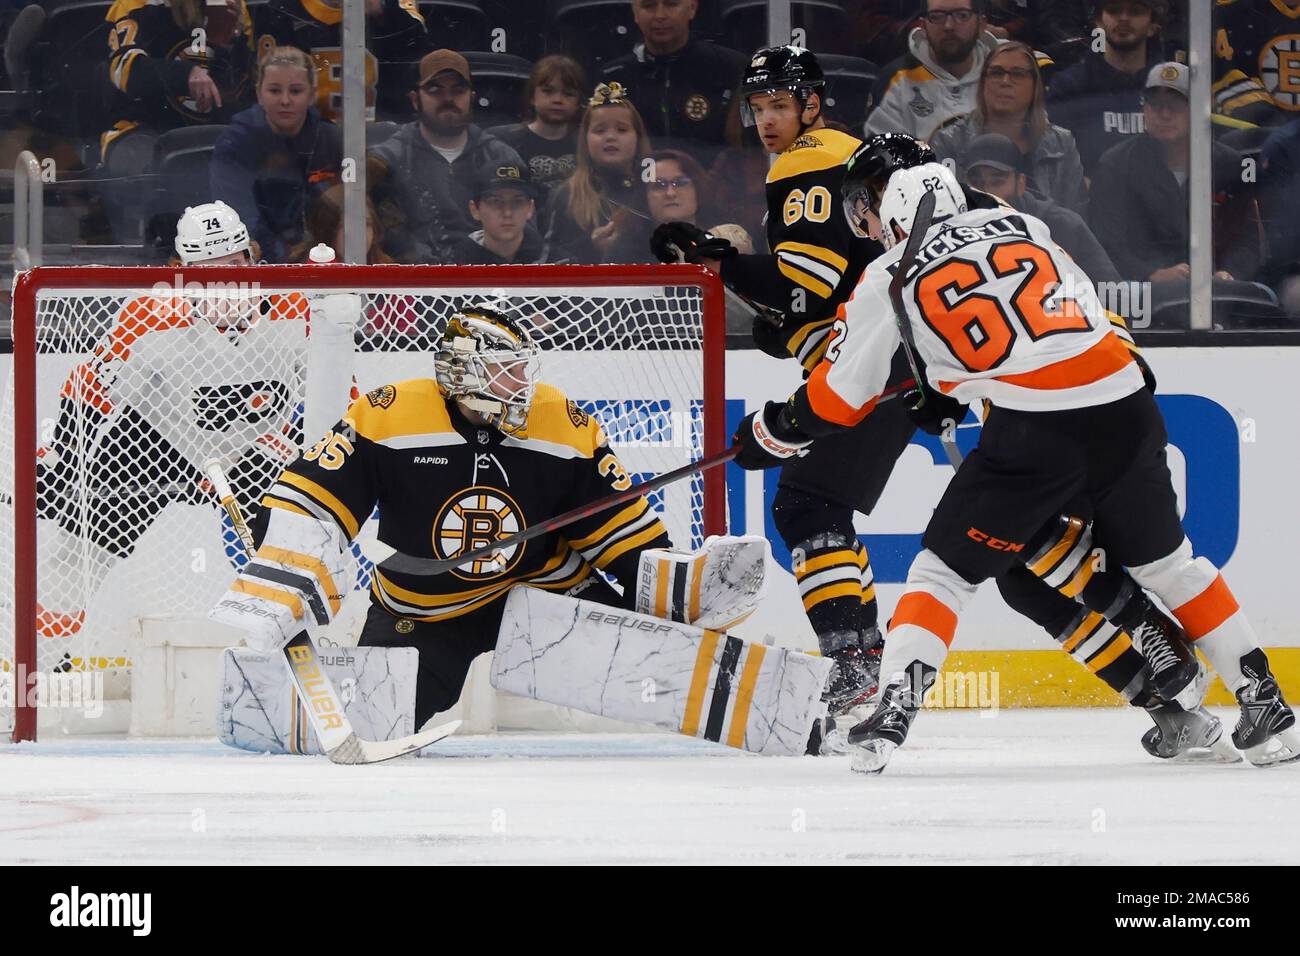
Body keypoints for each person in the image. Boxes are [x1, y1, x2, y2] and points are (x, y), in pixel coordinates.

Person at [733, 161, 1299, 771]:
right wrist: (947, 380)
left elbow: (841, 396)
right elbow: (1065, 316)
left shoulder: (887, 275)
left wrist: (774, 430)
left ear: (892, 219)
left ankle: (895, 704)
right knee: (1168, 563)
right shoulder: (1021, 222)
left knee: (944, 571)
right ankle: (1265, 702)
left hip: (1037, 427)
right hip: (1125, 398)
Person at [208, 305, 681, 729]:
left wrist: (672, 586)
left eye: (520, 369)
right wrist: (283, 566)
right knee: (370, 723)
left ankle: (693, 674)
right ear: (461, 375)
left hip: (542, 590)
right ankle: (280, 711)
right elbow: (314, 495)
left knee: (645, 662)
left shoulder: (560, 419)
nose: (521, 384)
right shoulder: (390, 413)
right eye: (503, 372)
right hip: (422, 611)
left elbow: (617, 525)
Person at [653, 46, 895, 728]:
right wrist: (769, 306)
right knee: (822, 506)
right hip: (900, 357)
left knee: (807, 505)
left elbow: (805, 283)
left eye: (779, 106)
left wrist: (720, 263)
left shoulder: (808, 158)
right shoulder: (842, 154)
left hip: (870, 363)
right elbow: (824, 290)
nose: (765, 121)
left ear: (811, 106)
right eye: (757, 108)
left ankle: (854, 668)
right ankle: (863, 662)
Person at [35, 201, 306, 640]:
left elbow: (337, 402)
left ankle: (304, 638)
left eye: (234, 264)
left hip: (257, 449)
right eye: (208, 269)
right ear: (181, 270)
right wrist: (65, 458)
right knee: (76, 554)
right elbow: (92, 387)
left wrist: (283, 444)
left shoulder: (294, 308)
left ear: (253, 258)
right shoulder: (151, 314)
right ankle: (38, 660)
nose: (225, 283)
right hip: (158, 439)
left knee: (304, 545)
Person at [1089, 62, 1259, 284]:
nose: (1165, 114)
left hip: (1219, 292)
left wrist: (1230, 273)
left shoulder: (1230, 165)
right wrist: (1152, 274)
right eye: (1156, 105)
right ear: (1144, 108)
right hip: (1142, 293)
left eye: (1176, 104)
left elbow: (1249, 243)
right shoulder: (1115, 165)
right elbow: (1106, 244)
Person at [100, 0, 255, 239]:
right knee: (171, 174)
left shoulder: (233, 6)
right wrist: (186, 74)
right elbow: (126, 72)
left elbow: (242, 90)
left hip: (212, 130)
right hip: (140, 129)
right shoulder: (133, 5)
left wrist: (227, 44)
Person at [368, 49, 530, 264]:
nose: (448, 98)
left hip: (489, 284)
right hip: (413, 286)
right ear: (415, 99)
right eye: (435, 89)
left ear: (471, 98)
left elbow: (528, 235)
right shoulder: (386, 161)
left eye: (458, 89)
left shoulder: (501, 157)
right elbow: (379, 242)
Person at [210, 47, 342, 264]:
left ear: (312, 95)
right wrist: (286, 265)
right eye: (274, 90)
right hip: (264, 266)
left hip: (326, 260)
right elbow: (239, 220)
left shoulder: (332, 139)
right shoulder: (234, 144)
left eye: (296, 91)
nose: (285, 100)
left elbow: (350, 213)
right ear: (259, 93)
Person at [928, 41, 1088, 213]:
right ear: (982, 82)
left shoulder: (1061, 144)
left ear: (1035, 85)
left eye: (1017, 74)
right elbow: (941, 213)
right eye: (996, 73)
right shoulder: (949, 142)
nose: (1005, 81)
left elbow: (1075, 215)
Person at [599, 0, 747, 166]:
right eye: (649, 6)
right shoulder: (613, 78)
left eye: (671, 5)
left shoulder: (732, 68)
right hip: (638, 186)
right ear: (635, 13)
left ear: (692, 8)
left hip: (718, 185)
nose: (660, 15)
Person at [963, 133, 1119, 283]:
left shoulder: (1063, 226)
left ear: (1021, 183)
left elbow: (1112, 293)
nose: (986, 192)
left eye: (997, 182)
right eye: (976, 183)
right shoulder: (954, 232)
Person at [1046, 1, 1169, 177]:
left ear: (1153, 26)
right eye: (1114, 10)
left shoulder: (1174, 89)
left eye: (1135, 12)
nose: (1124, 19)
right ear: (1099, 22)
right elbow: (1055, 164)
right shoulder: (1068, 87)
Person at [258, 0, 432, 122]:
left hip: (386, 133)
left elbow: (421, 66)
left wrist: (382, 14)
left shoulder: (396, 6)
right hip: (309, 137)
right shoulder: (281, 11)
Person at [542, 82, 653, 264]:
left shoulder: (655, 187)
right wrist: (591, 249)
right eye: (599, 130)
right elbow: (550, 260)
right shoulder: (567, 195)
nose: (610, 137)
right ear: (585, 140)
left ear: (638, 137)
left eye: (622, 129)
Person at [865, 0, 1002, 141]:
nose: (949, 26)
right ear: (923, 26)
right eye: (937, 16)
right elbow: (882, 155)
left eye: (962, 15)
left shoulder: (1007, 75)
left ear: (981, 24)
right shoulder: (895, 79)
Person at [485, 56, 586, 196]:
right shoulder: (502, 141)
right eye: (548, 91)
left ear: (578, 102)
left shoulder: (588, 144)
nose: (557, 100)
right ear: (532, 96)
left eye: (568, 94)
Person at [450, 163, 545, 265]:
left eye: (517, 202)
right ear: (475, 210)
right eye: (495, 202)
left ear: (530, 208)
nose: (507, 213)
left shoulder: (555, 261)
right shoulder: (454, 266)